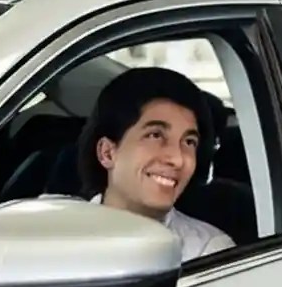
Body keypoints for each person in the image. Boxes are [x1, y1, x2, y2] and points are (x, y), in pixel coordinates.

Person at [76, 66, 236, 262]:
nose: (177, 159)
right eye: (155, 135)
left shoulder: (207, 251)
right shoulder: (57, 237)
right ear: (107, 153)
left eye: (189, 142)